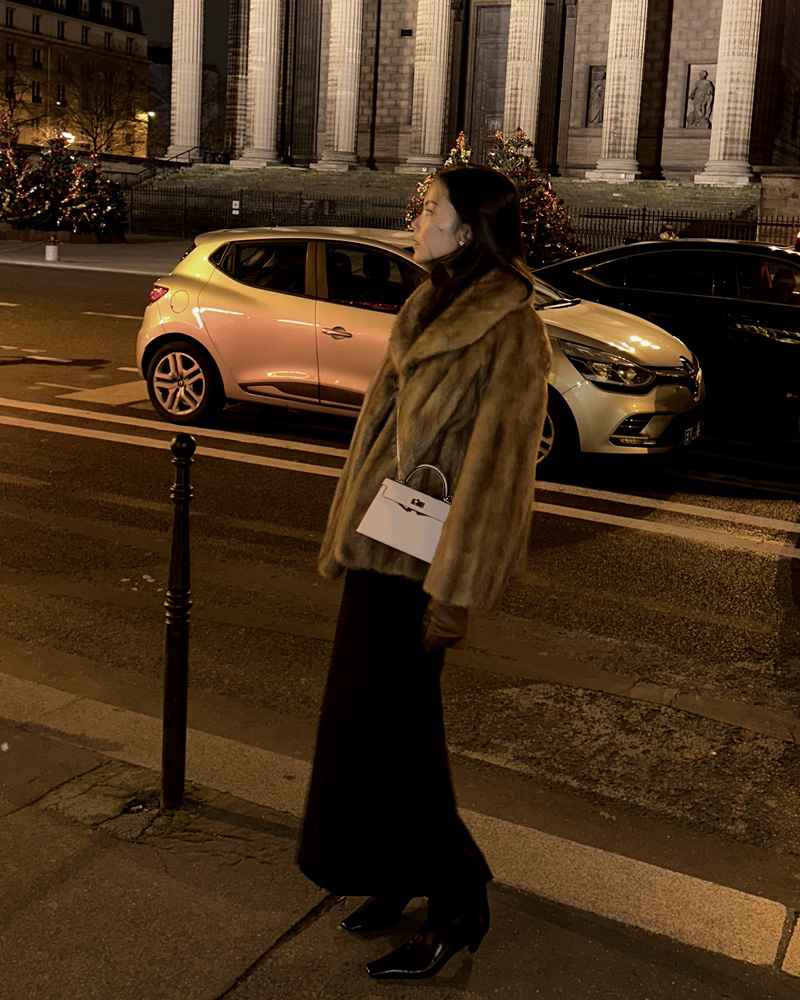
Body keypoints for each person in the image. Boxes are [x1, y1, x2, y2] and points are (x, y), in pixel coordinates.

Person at [297, 164, 551, 980]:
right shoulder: (426, 301)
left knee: (402, 740)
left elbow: (498, 473)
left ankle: (458, 895)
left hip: (427, 564)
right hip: (380, 545)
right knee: (363, 729)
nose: (418, 218)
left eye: (431, 208)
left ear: (469, 227)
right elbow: (377, 431)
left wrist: (454, 591)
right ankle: (395, 869)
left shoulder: (511, 328)